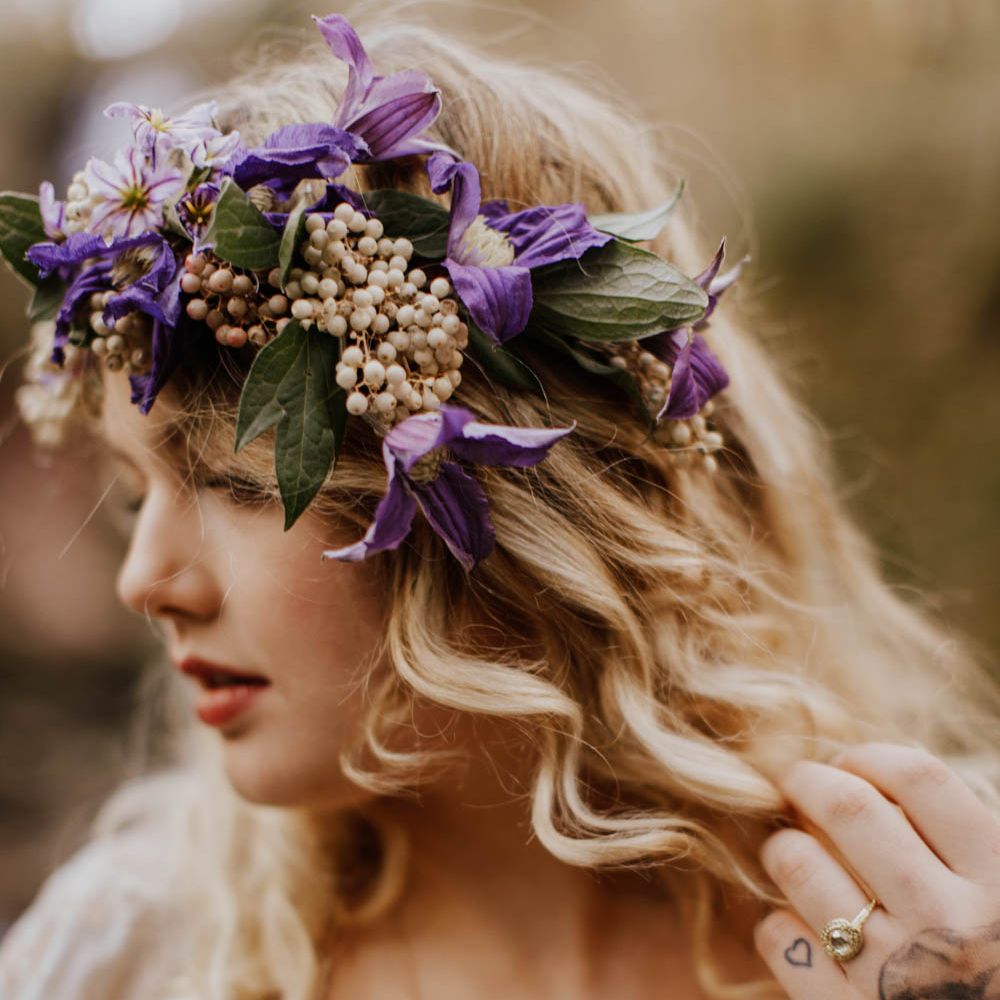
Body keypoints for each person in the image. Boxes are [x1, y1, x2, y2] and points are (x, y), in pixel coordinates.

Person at [1, 9, 999, 1000]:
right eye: (136, 498)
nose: (144, 582)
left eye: (232, 481)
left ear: (539, 502)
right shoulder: (128, 955)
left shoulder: (935, 922)